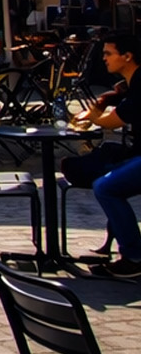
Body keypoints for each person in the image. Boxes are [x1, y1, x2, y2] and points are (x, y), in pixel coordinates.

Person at [71, 36, 141, 279]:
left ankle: (134, 257)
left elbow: (112, 121)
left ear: (127, 56)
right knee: (104, 174)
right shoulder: (130, 83)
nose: (104, 58)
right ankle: (120, 248)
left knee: (105, 187)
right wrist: (99, 106)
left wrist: (89, 118)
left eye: (108, 53)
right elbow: (112, 99)